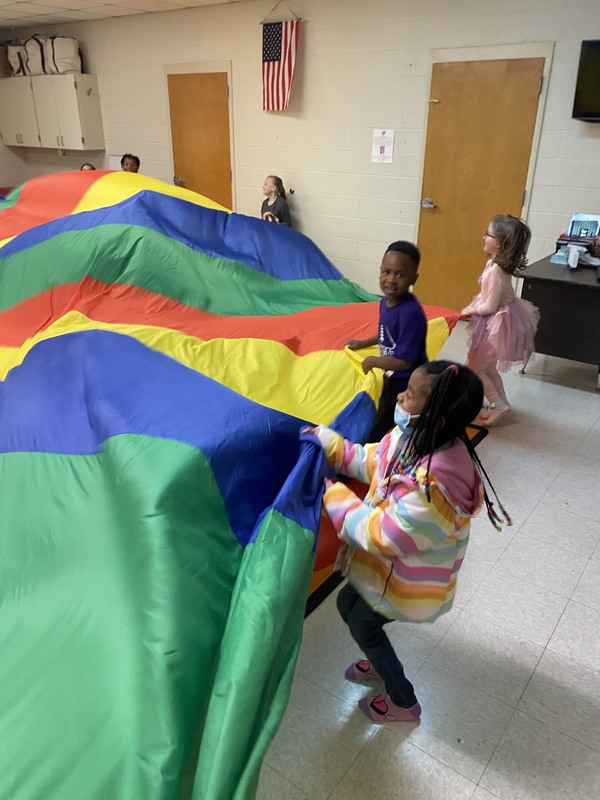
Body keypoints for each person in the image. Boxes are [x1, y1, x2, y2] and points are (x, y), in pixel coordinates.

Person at [305, 361, 509, 723]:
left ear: (437, 418)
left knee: (361, 623)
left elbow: (381, 533)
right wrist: (330, 444)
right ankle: (379, 657)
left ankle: (403, 700)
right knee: (349, 607)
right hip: (385, 571)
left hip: (405, 581)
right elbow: (372, 462)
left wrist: (332, 495)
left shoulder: (435, 489)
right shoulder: (409, 437)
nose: (400, 396)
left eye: (410, 394)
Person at [462, 214, 539, 425]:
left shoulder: (495, 270)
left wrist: (471, 309)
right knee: (487, 367)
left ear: (501, 244)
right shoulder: (493, 264)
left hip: (496, 324)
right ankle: (502, 404)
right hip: (494, 322)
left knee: (475, 368)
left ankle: (497, 404)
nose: (483, 237)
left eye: (489, 234)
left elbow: (490, 306)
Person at [347, 241, 428, 441]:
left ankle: (391, 447)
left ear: (413, 279)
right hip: (392, 378)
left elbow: (403, 362)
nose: (391, 280)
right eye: (386, 272)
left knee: (399, 423)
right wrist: (363, 343)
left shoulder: (411, 313)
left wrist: (373, 360)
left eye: (400, 275)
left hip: (408, 383)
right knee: (383, 411)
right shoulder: (385, 302)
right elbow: (387, 334)